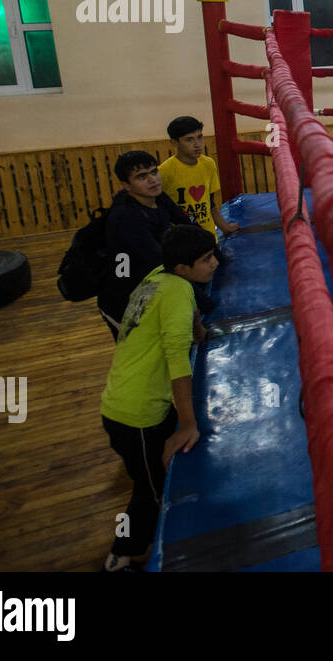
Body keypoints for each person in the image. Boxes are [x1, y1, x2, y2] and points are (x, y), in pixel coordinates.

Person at [100, 225, 217, 571]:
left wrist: (200, 332)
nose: (214, 264)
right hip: (135, 414)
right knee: (150, 493)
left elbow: (190, 310)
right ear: (183, 268)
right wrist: (188, 423)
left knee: (157, 476)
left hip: (134, 400)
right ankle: (121, 555)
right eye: (207, 259)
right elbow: (178, 361)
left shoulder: (160, 276)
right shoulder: (178, 291)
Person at [99, 151, 213, 340]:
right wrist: (208, 304)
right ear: (126, 185)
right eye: (142, 177)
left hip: (149, 284)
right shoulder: (126, 217)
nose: (152, 180)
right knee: (142, 357)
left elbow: (189, 224)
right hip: (124, 300)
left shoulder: (158, 198)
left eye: (154, 172)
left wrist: (220, 258)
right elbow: (162, 263)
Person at [160, 116, 240, 238]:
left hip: (208, 235)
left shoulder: (208, 164)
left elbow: (210, 202)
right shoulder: (164, 171)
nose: (197, 144)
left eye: (199, 137)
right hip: (181, 238)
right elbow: (160, 210)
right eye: (189, 140)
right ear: (174, 143)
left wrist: (225, 228)